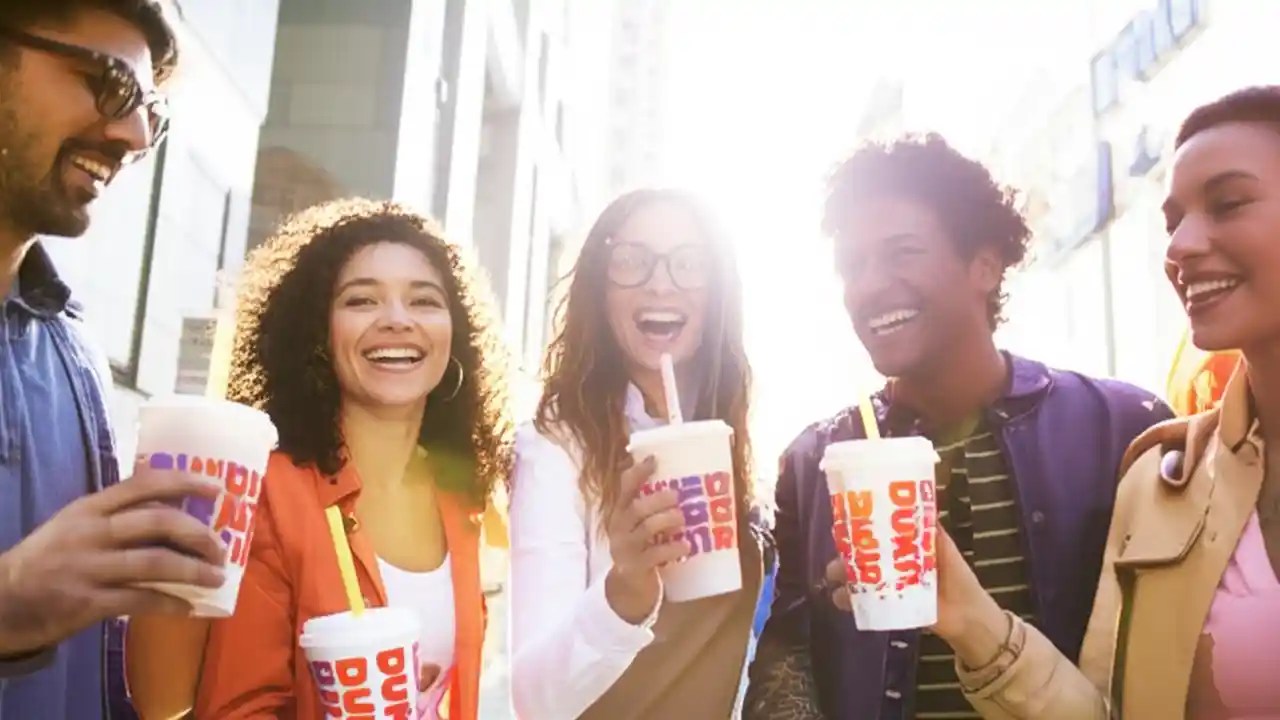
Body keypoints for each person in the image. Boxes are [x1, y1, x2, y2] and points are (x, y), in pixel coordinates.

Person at [745, 134, 1173, 720]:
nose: (869, 285)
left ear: (985, 265)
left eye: (901, 252)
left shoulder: (1122, 429)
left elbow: (1172, 653)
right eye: (853, 265)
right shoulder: (814, 463)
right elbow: (786, 655)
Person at [913, 85, 1280, 719]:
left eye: (1228, 203)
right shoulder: (1162, 482)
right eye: (1173, 221)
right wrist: (965, 614)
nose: (1181, 246)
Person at [125, 198, 513, 719]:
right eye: (361, 301)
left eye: (424, 301)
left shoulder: (461, 500)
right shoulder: (269, 493)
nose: (397, 320)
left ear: (455, 334)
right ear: (319, 335)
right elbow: (230, 708)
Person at [0, 3, 229, 718]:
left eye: (150, 114)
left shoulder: (73, 354)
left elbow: (88, 674)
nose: (132, 136)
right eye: (109, 84)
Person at [509, 188, 773, 719]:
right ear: (601, 291)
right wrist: (624, 590)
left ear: (717, 291)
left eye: (689, 263)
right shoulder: (557, 447)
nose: (660, 281)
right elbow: (533, 702)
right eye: (631, 261)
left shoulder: (739, 433)